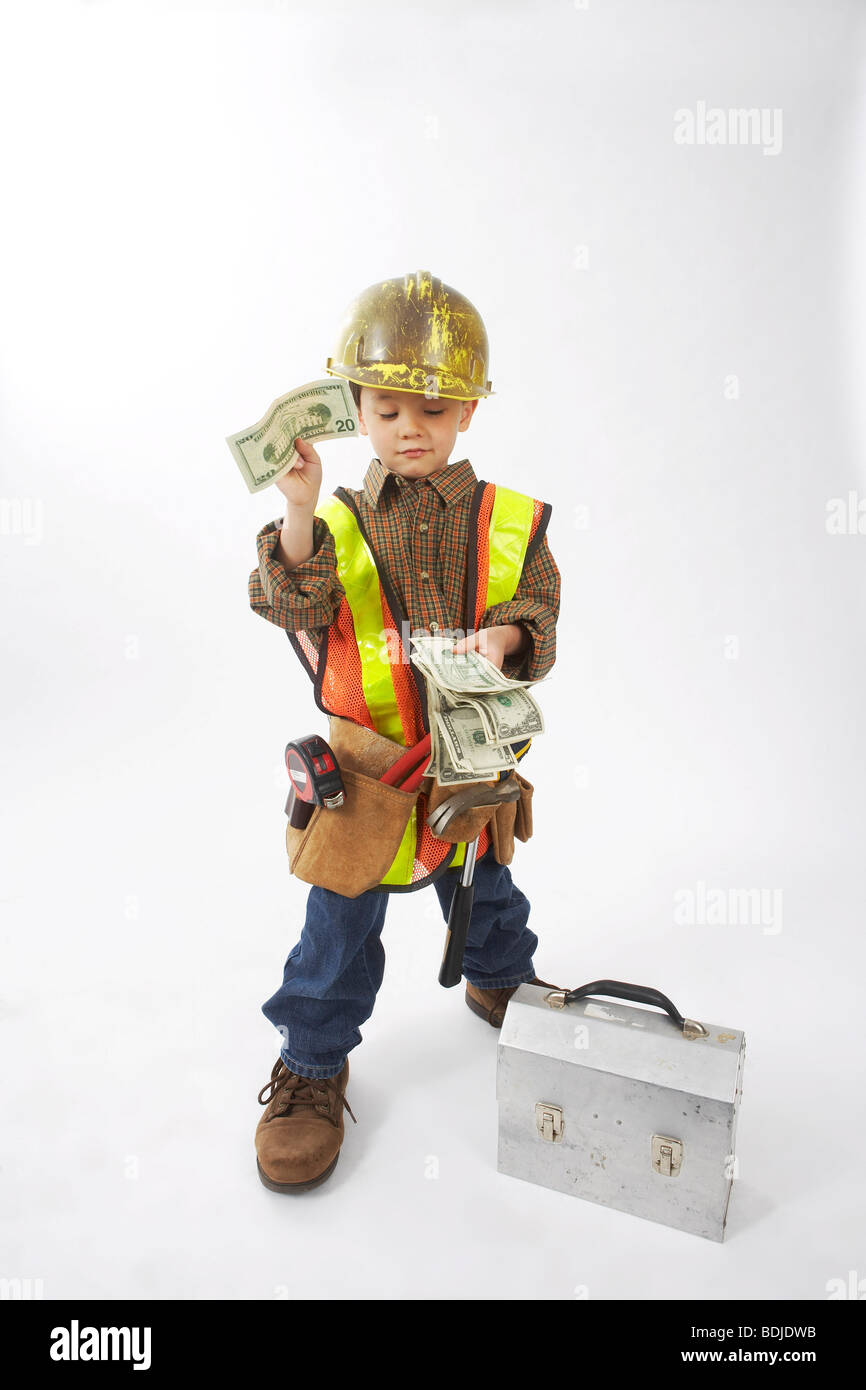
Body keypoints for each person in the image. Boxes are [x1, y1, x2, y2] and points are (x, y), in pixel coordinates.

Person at [248, 270, 561, 1193]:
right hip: (369, 774)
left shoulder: (509, 518)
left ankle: (500, 978)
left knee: (489, 892)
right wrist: (299, 509)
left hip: (470, 770)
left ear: (467, 409)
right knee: (339, 925)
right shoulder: (336, 522)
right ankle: (310, 1065)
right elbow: (289, 599)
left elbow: (535, 604)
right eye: (386, 411)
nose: (409, 428)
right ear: (356, 410)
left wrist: (505, 634)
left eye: (430, 409)